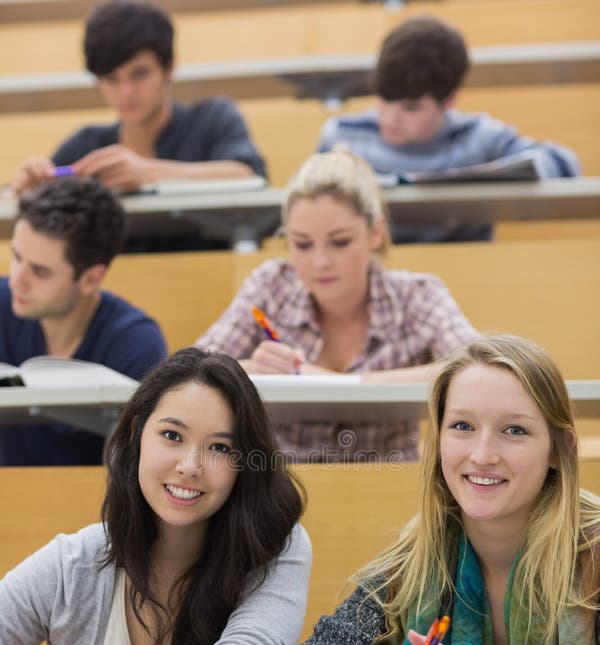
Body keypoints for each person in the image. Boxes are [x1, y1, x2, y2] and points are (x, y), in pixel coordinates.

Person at [280, 334, 600, 645]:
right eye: (462, 426)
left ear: (560, 449)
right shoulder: (410, 563)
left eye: (514, 430)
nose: (483, 454)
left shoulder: (594, 551)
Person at [0, 348, 325, 645]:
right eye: (172, 435)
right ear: (137, 434)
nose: (191, 465)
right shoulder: (76, 562)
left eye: (220, 448)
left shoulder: (276, 548)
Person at [195, 149, 477, 462]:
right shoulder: (271, 285)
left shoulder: (418, 296)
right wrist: (245, 371)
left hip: (391, 481)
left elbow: (479, 369)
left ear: (375, 233)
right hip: (279, 482)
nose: (320, 262)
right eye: (302, 244)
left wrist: (339, 383)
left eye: (340, 242)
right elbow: (190, 373)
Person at [11, 1, 266, 251]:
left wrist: (149, 173)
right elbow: (20, 196)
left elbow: (248, 175)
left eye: (139, 74)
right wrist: (28, 191)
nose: (126, 92)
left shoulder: (212, 118)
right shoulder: (87, 143)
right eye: (111, 79)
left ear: (169, 68)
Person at [317, 16, 580, 243]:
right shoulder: (343, 135)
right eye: (384, 100)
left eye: (411, 108)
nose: (390, 118)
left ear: (449, 100)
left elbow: (565, 163)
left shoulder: (478, 137)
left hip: (466, 271)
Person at [0, 176, 167, 466]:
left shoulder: (135, 343)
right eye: (16, 257)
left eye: (39, 272)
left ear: (91, 279)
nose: (17, 280)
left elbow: (138, 467)